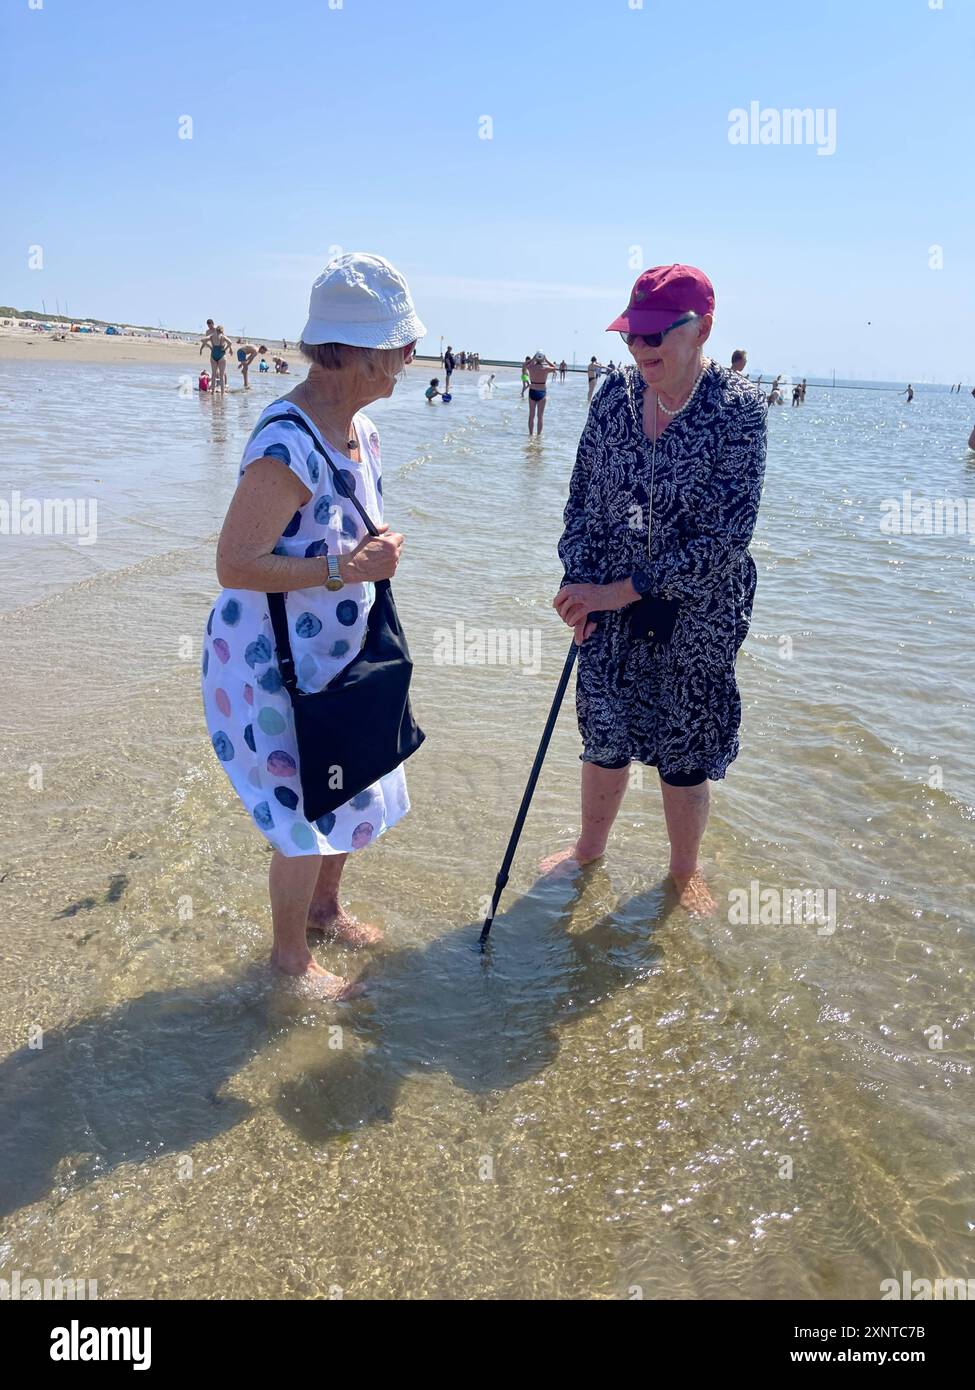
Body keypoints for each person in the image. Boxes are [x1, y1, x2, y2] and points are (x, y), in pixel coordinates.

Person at [202, 252, 425, 994]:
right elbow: (236, 563)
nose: (411, 357)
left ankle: (326, 910)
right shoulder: (287, 441)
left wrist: (367, 555)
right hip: (272, 665)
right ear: (357, 354)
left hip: (337, 653)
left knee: (349, 777)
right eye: (400, 345)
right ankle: (289, 962)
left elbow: (341, 535)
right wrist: (347, 570)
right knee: (300, 812)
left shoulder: (361, 431)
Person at [545, 263, 767, 914]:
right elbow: (582, 500)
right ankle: (588, 850)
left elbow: (725, 537)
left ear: (701, 330)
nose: (640, 350)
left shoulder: (737, 412)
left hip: (699, 608)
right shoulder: (611, 399)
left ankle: (682, 871)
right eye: (630, 337)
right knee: (605, 730)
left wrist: (624, 589)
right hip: (606, 593)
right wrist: (577, 580)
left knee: (683, 746)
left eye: (653, 337)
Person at [526, 351, 559, 436]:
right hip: (542, 391)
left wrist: (533, 358)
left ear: (536, 358)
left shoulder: (531, 367)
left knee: (531, 415)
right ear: (543, 358)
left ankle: (530, 434)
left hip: (532, 390)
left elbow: (524, 365)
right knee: (540, 416)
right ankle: (538, 436)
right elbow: (555, 367)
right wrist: (546, 360)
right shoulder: (546, 368)